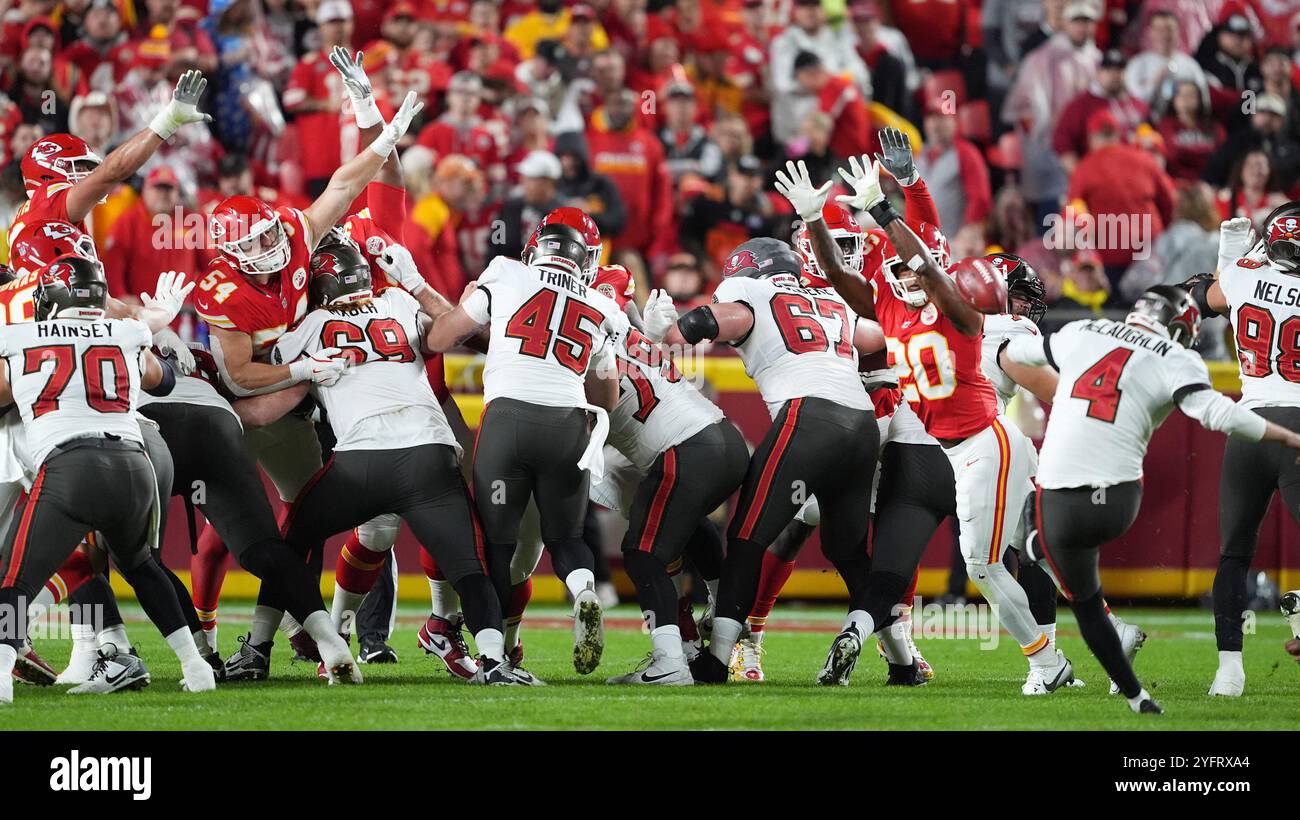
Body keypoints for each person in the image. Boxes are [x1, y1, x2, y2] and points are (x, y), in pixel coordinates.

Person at [781, 151, 1076, 693]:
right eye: (895, 273)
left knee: (995, 562)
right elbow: (837, 276)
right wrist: (814, 220)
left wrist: (883, 207)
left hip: (987, 442)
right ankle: (1076, 643)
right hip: (950, 452)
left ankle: (1053, 660)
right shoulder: (891, 310)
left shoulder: (964, 315)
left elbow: (927, 268)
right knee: (1017, 555)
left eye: (911, 269)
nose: (905, 278)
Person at [1002, 284, 1300, 714]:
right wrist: (1288, 436)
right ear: (1178, 325)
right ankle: (1136, 696)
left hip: (1056, 503)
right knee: (1085, 598)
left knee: (1070, 583)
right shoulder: (1175, 357)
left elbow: (1016, 352)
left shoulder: (1084, 329)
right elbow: (1220, 415)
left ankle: (1035, 545)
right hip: (1119, 502)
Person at [265, 242, 521, 685]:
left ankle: (275, 644)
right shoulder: (399, 301)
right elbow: (447, 334)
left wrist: (304, 366)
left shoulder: (310, 323)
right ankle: (494, 661)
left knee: (288, 545)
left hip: (360, 461)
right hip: (429, 454)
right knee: (468, 566)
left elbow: (261, 367)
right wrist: (419, 283)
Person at [642, 231, 884, 686]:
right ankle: (890, 651)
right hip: (863, 424)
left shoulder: (754, 290)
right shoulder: (832, 299)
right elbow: (879, 337)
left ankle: (717, 659)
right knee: (848, 551)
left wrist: (666, 332)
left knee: (748, 537)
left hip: (807, 414)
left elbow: (710, 323)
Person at [0, 259, 213, 705]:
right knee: (141, 567)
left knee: (16, 579)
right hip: (133, 464)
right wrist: (164, 315)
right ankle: (196, 667)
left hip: (69, 466)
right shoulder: (126, 332)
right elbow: (161, 372)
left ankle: (1, 673)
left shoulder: (16, 336)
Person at [427, 216, 621, 678]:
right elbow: (606, 397)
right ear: (586, 261)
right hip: (570, 424)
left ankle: (492, 656)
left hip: (508, 421)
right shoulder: (601, 305)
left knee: (497, 544)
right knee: (567, 539)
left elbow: (440, 337)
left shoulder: (506, 271)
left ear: (536, 247)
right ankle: (586, 591)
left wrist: (469, 302)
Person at [589, 265, 748, 685]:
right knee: (687, 528)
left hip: (686, 449)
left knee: (643, 553)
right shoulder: (633, 334)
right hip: (725, 439)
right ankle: (719, 609)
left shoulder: (587, 337)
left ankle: (669, 663)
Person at [1191, 210, 1300, 696]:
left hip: (1249, 425)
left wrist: (1233, 251)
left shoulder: (1240, 276)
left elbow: (1206, 298)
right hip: (1297, 426)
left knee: (1233, 555)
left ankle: (1229, 672)